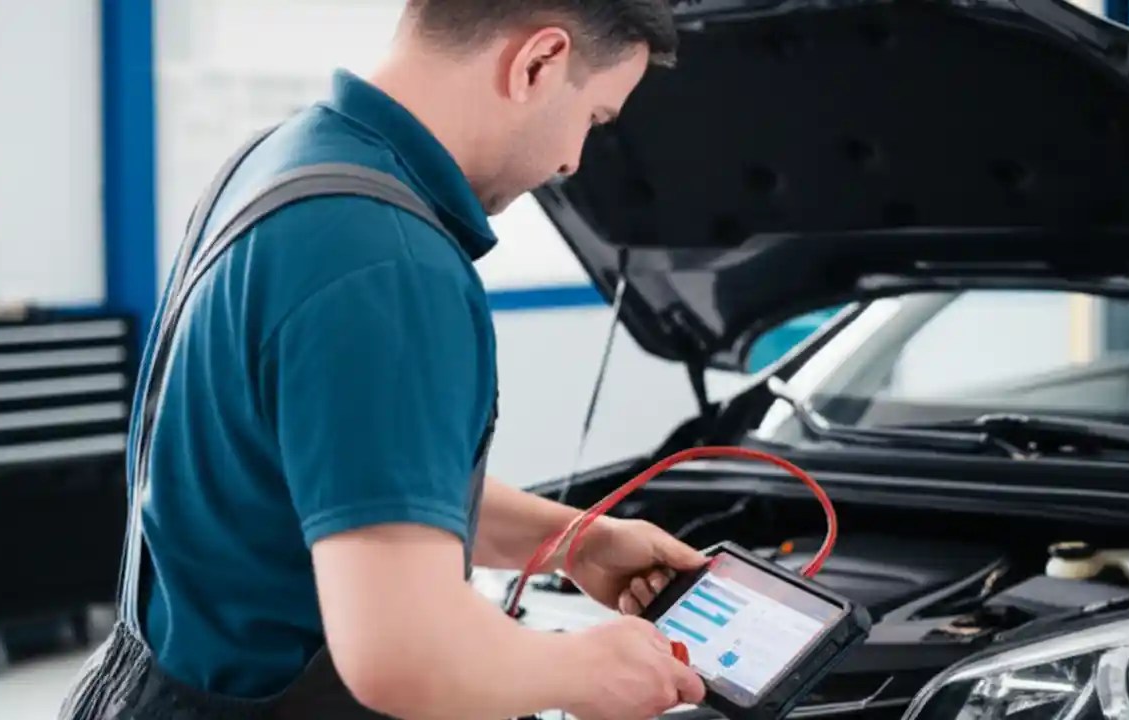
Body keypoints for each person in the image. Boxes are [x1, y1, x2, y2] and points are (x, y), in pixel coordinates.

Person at [59, 2, 707, 719]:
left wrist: (576, 542)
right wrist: (586, 666)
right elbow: (405, 654)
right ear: (538, 63)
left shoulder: (285, 161)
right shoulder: (388, 262)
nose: (571, 162)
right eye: (594, 119)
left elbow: (346, 486)